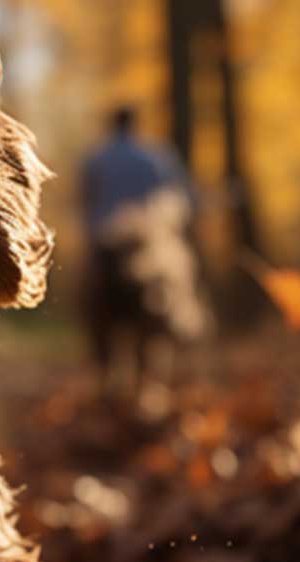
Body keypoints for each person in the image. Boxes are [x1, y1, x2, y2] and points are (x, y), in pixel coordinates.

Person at [81, 106, 210, 387]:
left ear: (112, 124)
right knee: (164, 310)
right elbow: (181, 199)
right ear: (136, 124)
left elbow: (86, 202)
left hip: (106, 249)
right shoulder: (157, 157)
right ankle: (152, 382)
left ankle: (105, 378)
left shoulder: (95, 158)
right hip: (149, 250)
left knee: (96, 311)